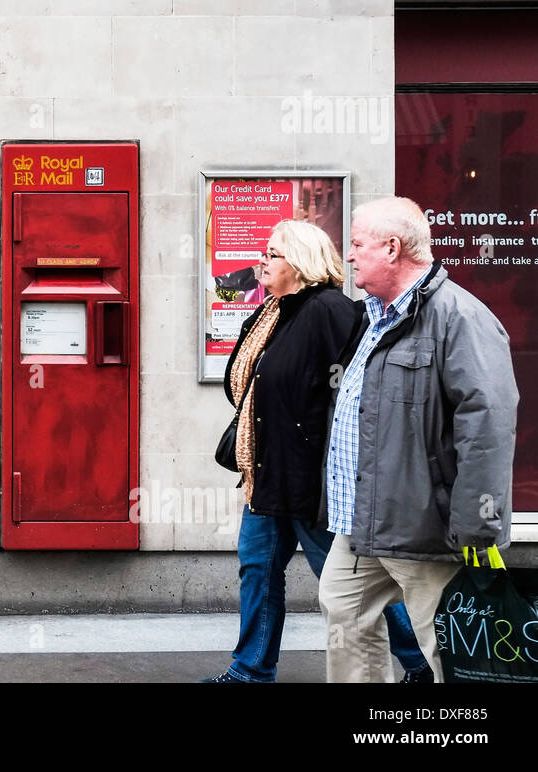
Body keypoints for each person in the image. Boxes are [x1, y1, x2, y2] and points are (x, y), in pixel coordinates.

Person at [203, 219, 430, 683]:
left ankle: (423, 663)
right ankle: (250, 670)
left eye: (272, 254)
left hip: (315, 479)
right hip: (265, 473)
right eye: (263, 252)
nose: (261, 262)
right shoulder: (269, 312)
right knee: (258, 572)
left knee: (354, 584)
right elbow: (250, 385)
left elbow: (354, 390)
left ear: (301, 262)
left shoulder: (329, 310)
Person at [319, 197, 519, 682]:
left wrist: (478, 524)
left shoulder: (459, 317)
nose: (349, 255)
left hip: (426, 525)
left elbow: (488, 424)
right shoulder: (374, 315)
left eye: (358, 244)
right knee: (343, 610)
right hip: (363, 519)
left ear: (391, 248)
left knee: (448, 646)